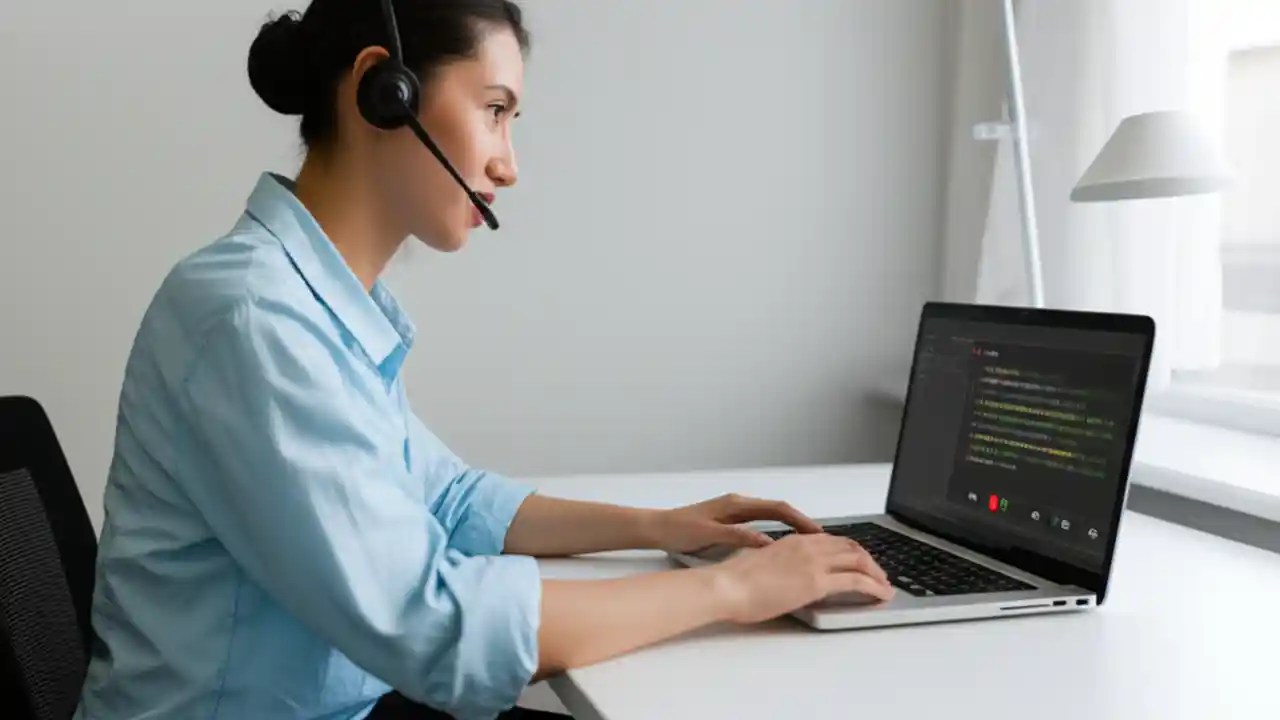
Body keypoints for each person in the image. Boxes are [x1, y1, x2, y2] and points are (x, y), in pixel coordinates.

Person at [73, 1, 894, 719]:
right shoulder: (253, 318)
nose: (508, 163)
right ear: (382, 90)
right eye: (494, 110)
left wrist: (659, 526)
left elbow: (451, 499)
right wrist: (734, 589)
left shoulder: (316, 306)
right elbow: (437, 629)